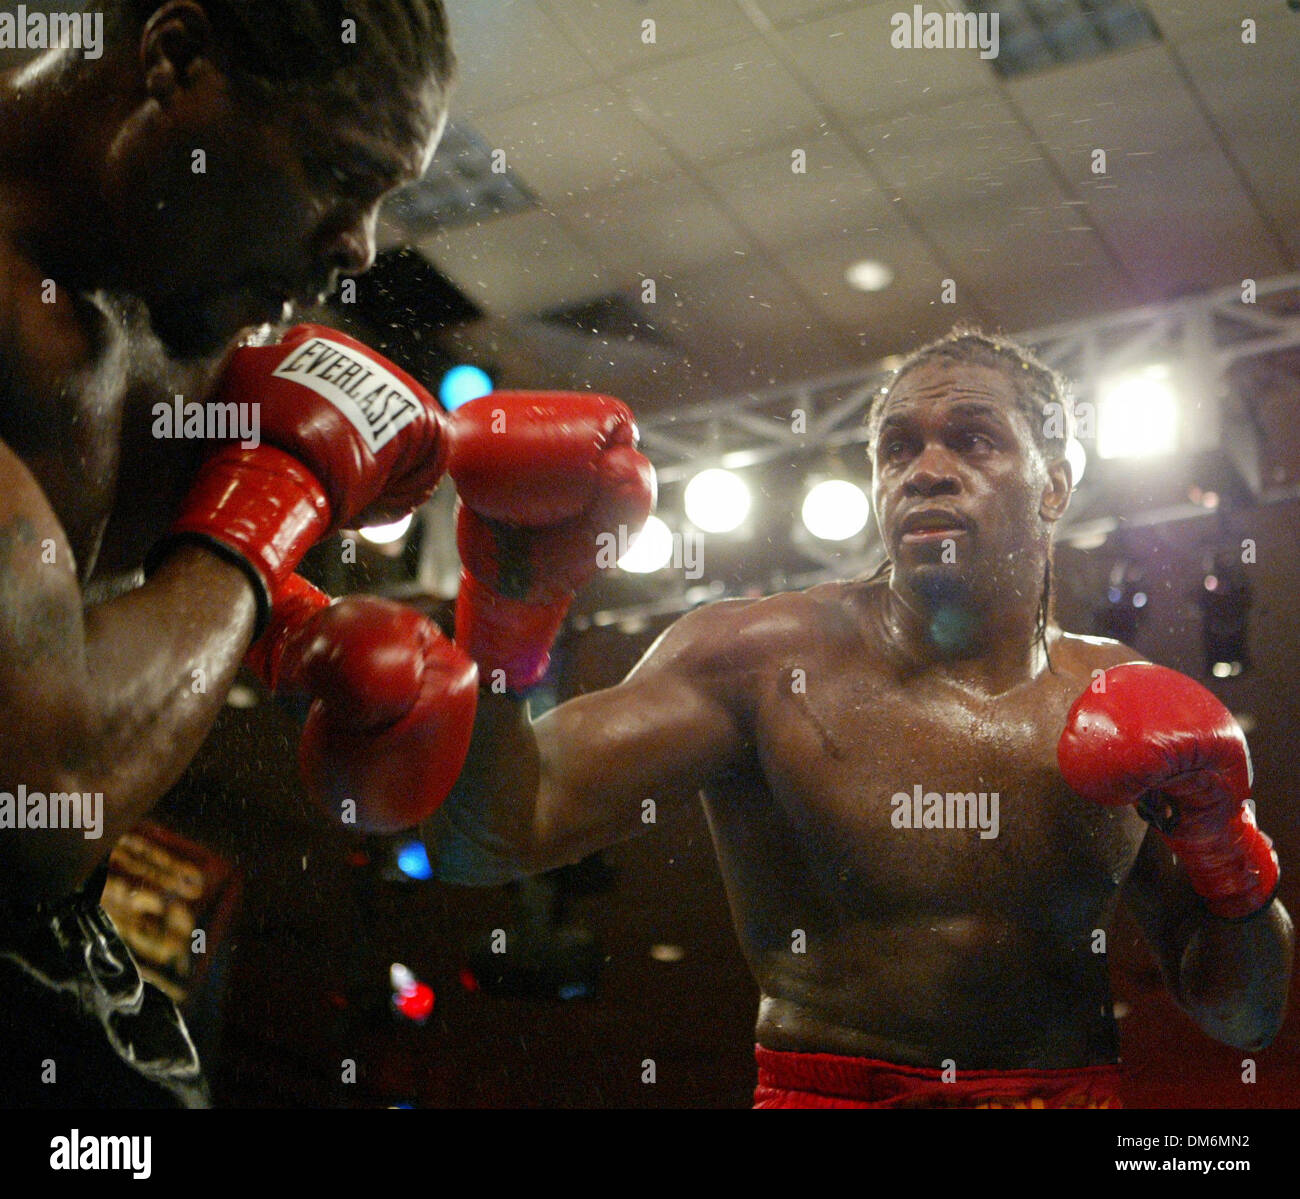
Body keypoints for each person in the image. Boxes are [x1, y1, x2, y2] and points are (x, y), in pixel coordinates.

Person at [424, 327, 1293, 1109]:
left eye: (975, 438)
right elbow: (489, 837)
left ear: (1055, 485)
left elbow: (1245, 1017)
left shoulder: (1125, 693)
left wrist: (1231, 859)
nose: (927, 468)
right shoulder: (760, 659)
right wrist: (505, 624)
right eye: (897, 446)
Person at [0, 0, 470, 1107]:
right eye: (339, 172)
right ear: (174, 61)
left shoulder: (167, 299)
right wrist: (274, 504)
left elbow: (73, 594)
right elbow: (42, 806)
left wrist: (296, 629)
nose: (358, 245)